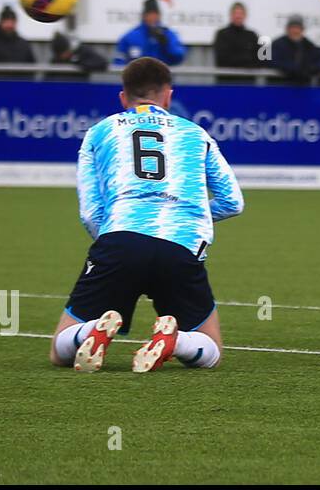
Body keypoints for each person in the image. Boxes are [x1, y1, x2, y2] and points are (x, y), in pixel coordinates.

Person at [49, 57, 243, 373]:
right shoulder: (196, 133)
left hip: (119, 242)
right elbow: (233, 201)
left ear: (123, 98)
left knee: (60, 351)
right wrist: (185, 216)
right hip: (179, 249)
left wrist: (117, 241)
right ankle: (176, 341)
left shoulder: (100, 132)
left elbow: (90, 212)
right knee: (212, 350)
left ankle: (92, 331)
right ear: (168, 95)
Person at [113, 0, 186, 67]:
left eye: (155, 14)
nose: (152, 17)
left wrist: (167, 44)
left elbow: (178, 57)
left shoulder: (168, 34)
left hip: (161, 77)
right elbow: (119, 61)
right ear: (144, 16)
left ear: (159, 16)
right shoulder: (130, 36)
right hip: (137, 77)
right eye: (149, 14)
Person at [270, 15, 320, 84]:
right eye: (292, 28)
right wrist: (295, 69)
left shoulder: (308, 45)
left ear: (303, 30)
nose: (295, 31)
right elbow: (273, 62)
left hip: (305, 86)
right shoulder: (277, 44)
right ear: (287, 29)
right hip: (280, 84)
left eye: (298, 28)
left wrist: (310, 69)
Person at [213, 2, 261, 69]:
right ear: (231, 15)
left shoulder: (252, 35)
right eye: (235, 13)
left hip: (248, 78)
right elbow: (222, 59)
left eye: (241, 14)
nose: (238, 16)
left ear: (245, 15)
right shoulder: (222, 34)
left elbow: (260, 59)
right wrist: (246, 60)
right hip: (227, 77)